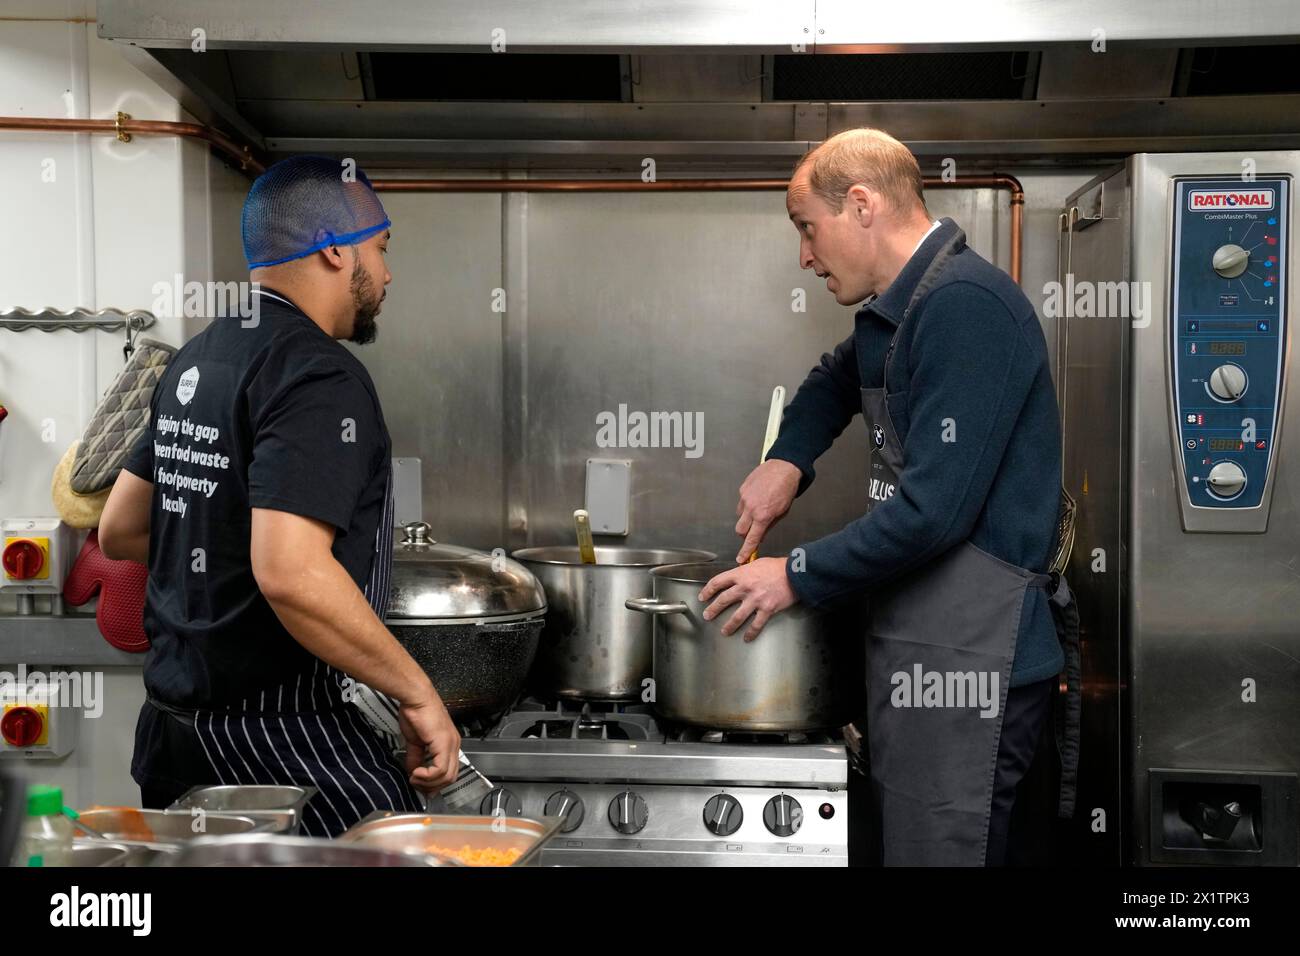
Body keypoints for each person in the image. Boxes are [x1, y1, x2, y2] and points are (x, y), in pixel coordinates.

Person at [698, 128, 1078, 865]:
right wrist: (787, 460)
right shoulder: (898, 309)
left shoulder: (965, 307)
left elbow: (934, 513)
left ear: (863, 205)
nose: (804, 256)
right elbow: (835, 380)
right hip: (927, 651)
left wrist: (793, 575)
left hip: (976, 664)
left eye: (807, 228)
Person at [99, 155, 460, 836]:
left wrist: (244, 543)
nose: (387, 274)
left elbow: (121, 527)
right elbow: (290, 574)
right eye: (380, 249)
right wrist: (418, 695)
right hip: (278, 743)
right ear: (333, 251)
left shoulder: (200, 357)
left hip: (173, 739)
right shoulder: (318, 374)